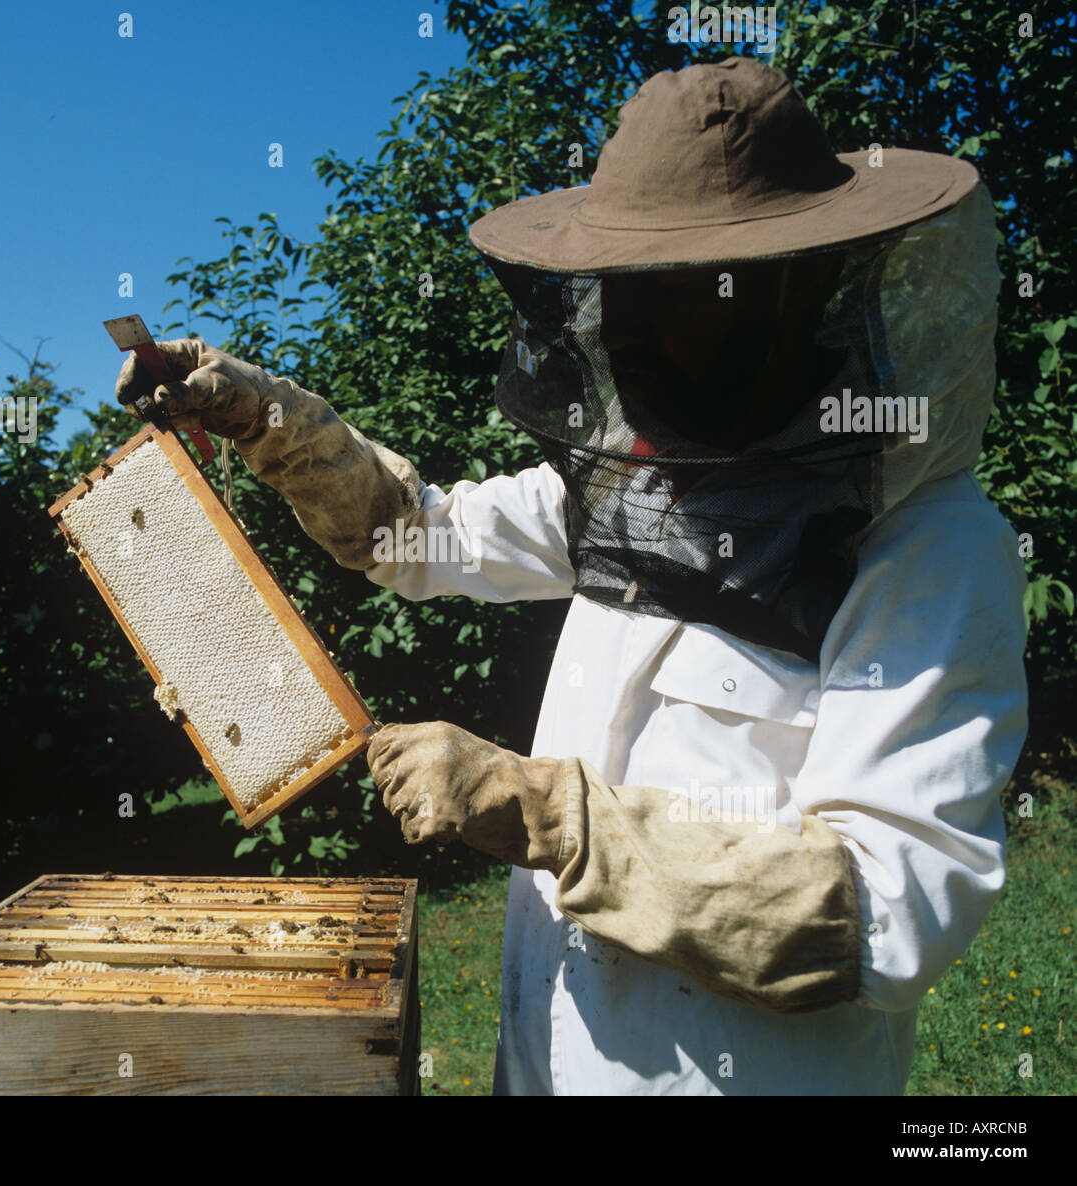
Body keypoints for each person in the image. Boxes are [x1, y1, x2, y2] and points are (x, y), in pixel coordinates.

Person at [116, 57, 1028, 1095]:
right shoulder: (631, 495)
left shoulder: (930, 548)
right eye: (628, 290)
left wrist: (544, 813)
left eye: (683, 293)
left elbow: (886, 910)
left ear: (799, 285)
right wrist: (260, 416)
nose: (636, 332)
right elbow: (412, 536)